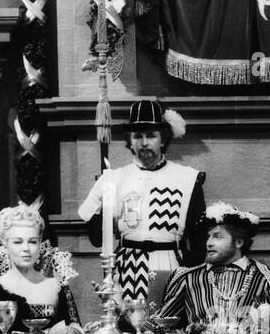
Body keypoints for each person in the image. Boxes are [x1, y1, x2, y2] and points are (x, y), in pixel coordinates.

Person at [77, 100, 205, 302]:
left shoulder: (187, 179)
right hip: (127, 266)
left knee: (166, 328)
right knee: (128, 329)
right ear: (129, 141)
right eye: (137, 136)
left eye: (151, 136)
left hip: (170, 264)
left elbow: (198, 241)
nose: (144, 143)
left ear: (163, 139)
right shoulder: (115, 178)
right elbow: (96, 238)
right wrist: (101, 203)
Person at [158, 203, 270, 327]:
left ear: (239, 242)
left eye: (217, 237)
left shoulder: (267, 278)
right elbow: (159, 326)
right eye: (208, 237)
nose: (209, 243)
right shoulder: (187, 278)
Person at [0, 203, 82, 334]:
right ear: (5, 243)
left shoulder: (55, 286)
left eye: (33, 242)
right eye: (17, 242)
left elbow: (75, 331)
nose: (26, 248)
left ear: (40, 242)